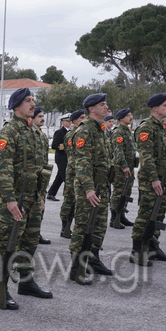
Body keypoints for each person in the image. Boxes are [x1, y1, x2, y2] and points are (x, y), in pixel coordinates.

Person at [0, 88, 53, 309]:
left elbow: (41, 170)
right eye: (27, 100)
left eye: (33, 100)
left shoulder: (36, 133)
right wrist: (9, 199)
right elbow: (2, 170)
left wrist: (41, 196)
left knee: (30, 241)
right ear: (16, 106)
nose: (32, 103)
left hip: (33, 198)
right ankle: (1, 288)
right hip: (15, 199)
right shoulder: (8, 133)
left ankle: (26, 281)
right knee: (8, 243)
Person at [68, 93, 115, 283]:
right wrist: (88, 189)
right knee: (83, 226)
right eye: (102, 105)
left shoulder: (102, 130)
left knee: (100, 225)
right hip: (89, 188)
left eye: (106, 104)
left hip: (101, 186)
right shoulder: (84, 131)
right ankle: (75, 266)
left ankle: (93, 258)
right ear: (91, 109)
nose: (106, 107)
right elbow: (82, 162)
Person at [130, 93, 166, 266]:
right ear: (155, 108)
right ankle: (136, 250)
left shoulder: (162, 127)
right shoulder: (146, 128)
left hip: (163, 177)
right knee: (146, 214)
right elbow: (146, 156)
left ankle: (152, 246)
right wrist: (154, 179)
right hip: (151, 179)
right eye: (165, 105)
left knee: (159, 213)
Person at [59, 109, 86, 237]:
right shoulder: (71, 135)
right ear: (74, 121)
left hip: (81, 172)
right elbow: (72, 154)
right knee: (69, 200)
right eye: (81, 118)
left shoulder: (84, 133)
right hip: (72, 172)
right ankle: (65, 226)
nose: (84, 120)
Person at [109, 108, 137, 228]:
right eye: (128, 116)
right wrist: (124, 166)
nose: (131, 117)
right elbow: (118, 151)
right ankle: (114, 218)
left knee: (126, 192)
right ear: (121, 119)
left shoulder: (127, 132)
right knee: (118, 192)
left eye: (131, 115)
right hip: (121, 168)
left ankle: (122, 216)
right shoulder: (118, 132)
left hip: (129, 167)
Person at [31, 107, 53, 245]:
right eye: (39, 116)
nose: (42, 118)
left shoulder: (43, 135)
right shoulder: (30, 134)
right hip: (32, 177)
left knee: (40, 207)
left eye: (42, 116)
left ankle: (36, 232)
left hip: (42, 177)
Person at [47, 114, 71, 201]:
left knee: (60, 177)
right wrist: (67, 146)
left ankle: (51, 193)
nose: (69, 122)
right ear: (62, 122)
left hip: (67, 157)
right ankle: (70, 195)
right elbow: (54, 145)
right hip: (61, 157)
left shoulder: (71, 132)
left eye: (70, 121)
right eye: (67, 121)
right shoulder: (59, 132)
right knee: (66, 176)